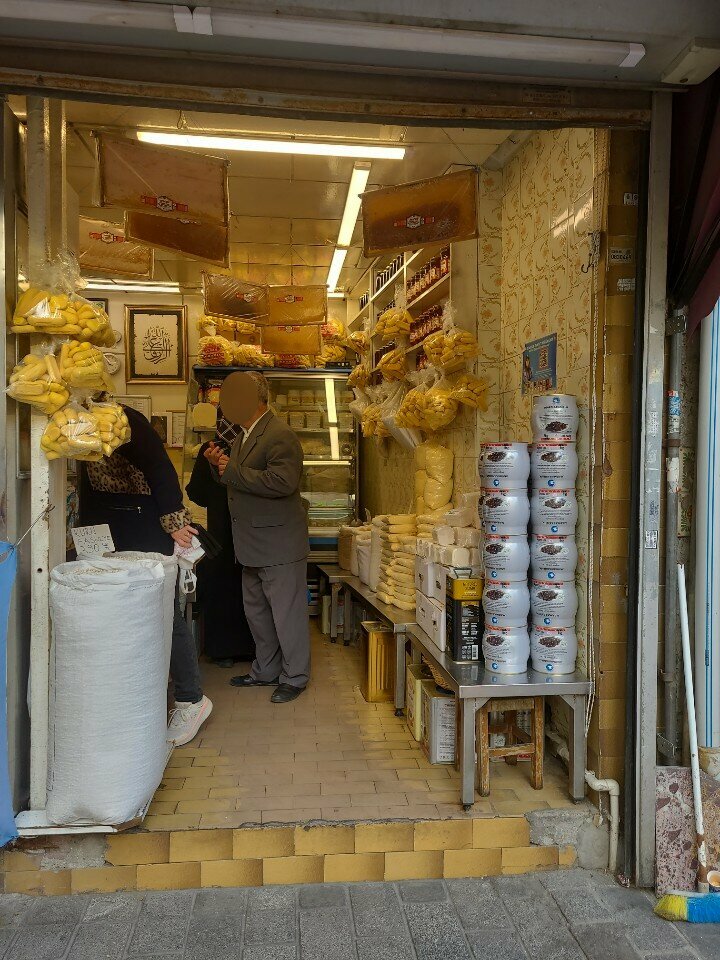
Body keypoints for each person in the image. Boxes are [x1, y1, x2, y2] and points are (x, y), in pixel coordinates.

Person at [78, 403, 213, 745]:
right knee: (121, 615)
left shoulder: (120, 418)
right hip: (103, 529)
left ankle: (190, 699)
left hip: (142, 525)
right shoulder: (65, 421)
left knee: (163, 613)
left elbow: (159, 467)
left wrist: (175, 522)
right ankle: (137, 696)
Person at [205, 371, 310, 703]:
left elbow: (283, 482)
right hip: (250, 542)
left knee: (286, 614)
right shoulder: (243, 436)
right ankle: (265, 670)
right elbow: (235, 479)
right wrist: (217, 465)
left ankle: (295, 677)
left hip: (278, 544)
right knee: (258, 613)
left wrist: (231, 471)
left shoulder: (279, 434)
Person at [185, 416, 256, 666]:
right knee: (251, 587)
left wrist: (214, 485)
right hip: (251, 530)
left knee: (221, 586)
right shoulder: (252, 446)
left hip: (220, 533)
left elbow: (195, 492)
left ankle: (222, 650)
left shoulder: (211, 448)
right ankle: (253, 648)